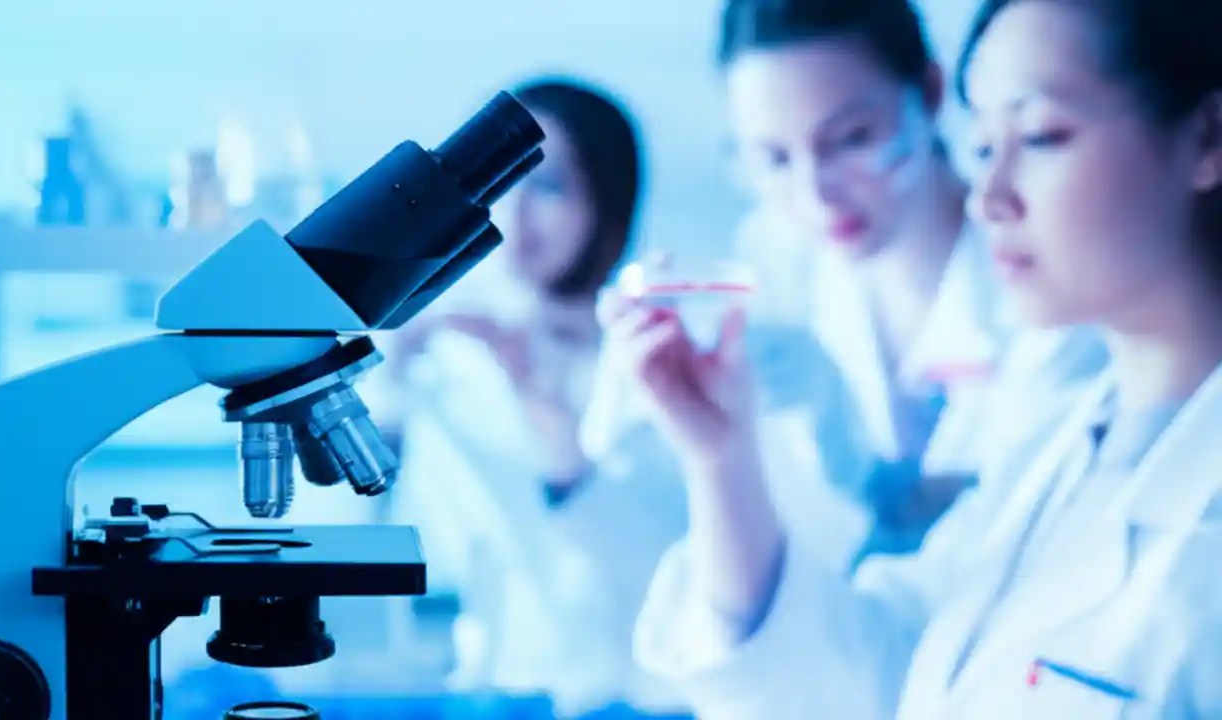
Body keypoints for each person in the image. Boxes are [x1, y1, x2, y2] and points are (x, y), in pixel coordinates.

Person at [603, 0, 1222, 716]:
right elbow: (866, 668)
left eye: (1044, 135)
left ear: (1207, 134)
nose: (989, 198)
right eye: (984, 147)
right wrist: (721, 457)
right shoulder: (1054, 458)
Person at [585, 0, 1107, 575]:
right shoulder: (777, 255)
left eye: (852, 139)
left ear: (929, 95)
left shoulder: (1050, 272)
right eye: (774, 158)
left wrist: (849, 455)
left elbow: (1037, 515)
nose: (816, 195)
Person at [387, 77, 690, 718]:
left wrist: (554, 435)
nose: (518, 214)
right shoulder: (449, 356)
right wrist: (393, 365)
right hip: (492, 690)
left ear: (608, 205)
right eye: (503, 186)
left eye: (550, 187)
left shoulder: (657, 360)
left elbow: (669, 571)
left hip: (639, 694)